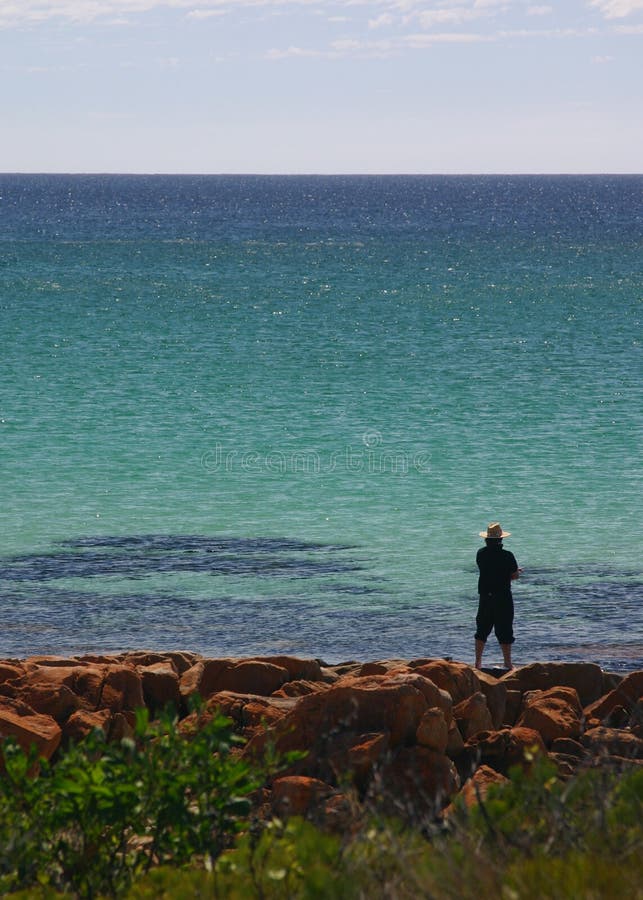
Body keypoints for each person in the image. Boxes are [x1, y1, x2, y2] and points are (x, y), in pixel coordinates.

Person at [475, 522, 522, 670]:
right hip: (502, 596)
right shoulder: (508, 555)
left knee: (482, 629)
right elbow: (513, 575)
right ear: (501, 539)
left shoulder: (480, 554)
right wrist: (516, 572)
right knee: (505, 629)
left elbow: (488, 570)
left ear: (486, 539)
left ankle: (477, 663)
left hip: (485, 596)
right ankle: (507, 663)